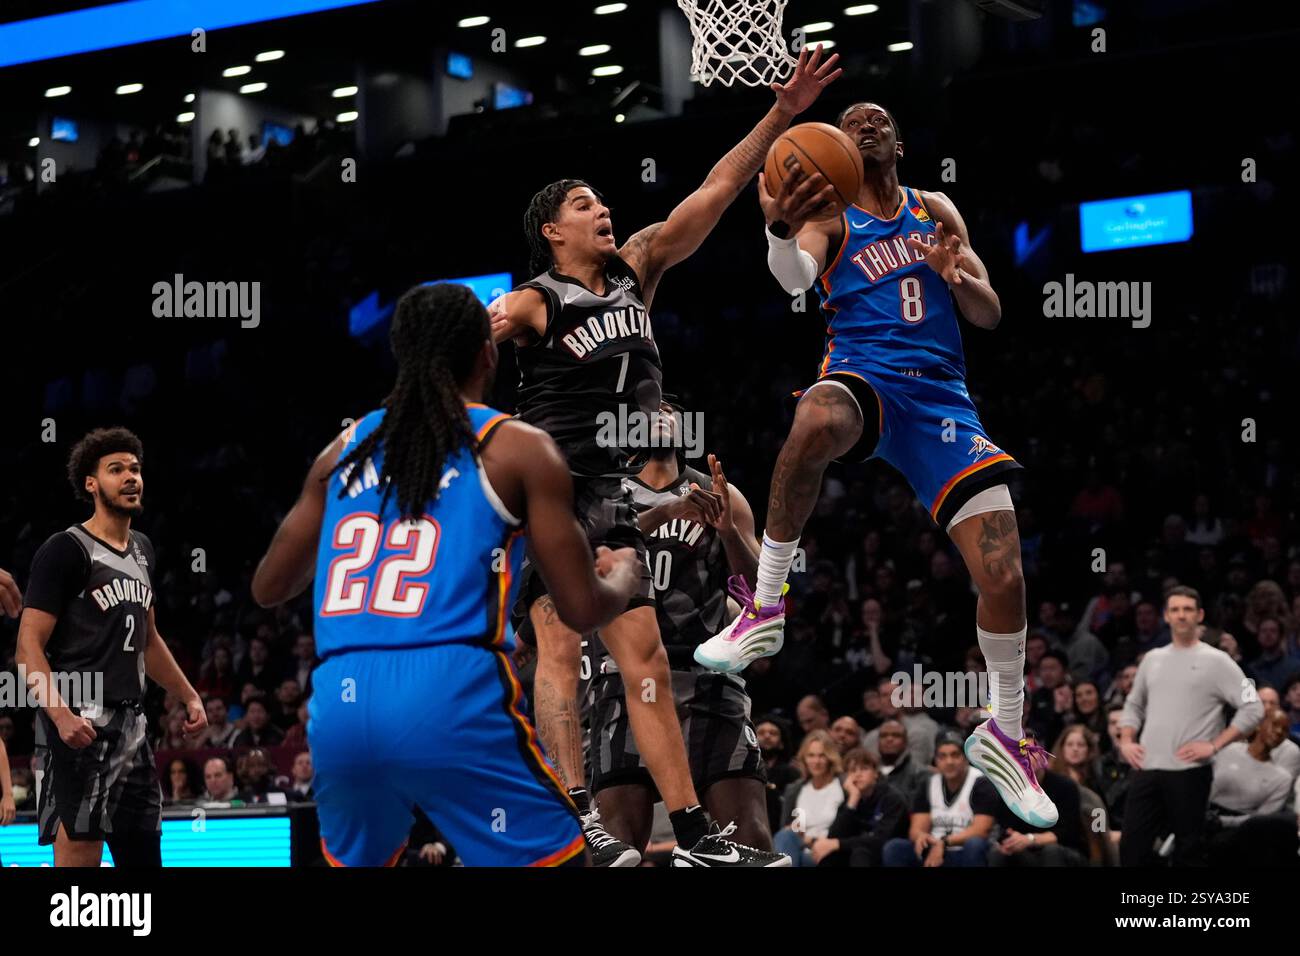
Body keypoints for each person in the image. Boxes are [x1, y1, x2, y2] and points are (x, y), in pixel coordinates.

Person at [252, 283, 768, 866]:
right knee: (576, 858)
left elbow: (270, 587)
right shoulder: (513, 444)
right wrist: (623, 574)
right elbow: (580, 606)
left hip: (339, 706)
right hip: (445, 690)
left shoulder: (340, 450)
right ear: (488, 355)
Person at [487, 46, 839, 866]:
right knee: (557, 643)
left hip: (610, 491)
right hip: (547, 483)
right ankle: (578, 813)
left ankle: (690, 829)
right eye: (584, 204)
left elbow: (715, 190)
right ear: (551, 230)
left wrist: (782, 113)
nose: (602, 210)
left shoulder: (637, 270)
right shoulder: (539, 300)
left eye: (603, 200)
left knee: (639, 652)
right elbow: (472, 332)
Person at [695, 98, 1056, 831]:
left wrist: (958, 275)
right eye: (852, 119)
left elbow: (989, 313)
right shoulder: (832, 211)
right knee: (814, 416)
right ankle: (765, 604)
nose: (865, 123)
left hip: (943, 403)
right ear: (839, 144)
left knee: (1005, 575)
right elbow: (795, 280)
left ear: (896, 139)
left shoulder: (935, 207)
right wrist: (776, 226)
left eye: (878, 117)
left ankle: (1005, 733)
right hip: (867, 378)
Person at [587, 406, 772, 863]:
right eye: (649, 410)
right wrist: (668, 510)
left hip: (706, 678)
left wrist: (729, 533)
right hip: (627, 678)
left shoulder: (722, 493)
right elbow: (594, 563)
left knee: (751, 840)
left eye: (669, 410)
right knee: (620, 846)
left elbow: (762, 596)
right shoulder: (609, 492)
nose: (661, 416)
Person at [16, 427, 207, 867]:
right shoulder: (64, 550)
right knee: (81, 860)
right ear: (90, 482)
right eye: (116, 469)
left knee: (143, 857)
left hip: (132, 725)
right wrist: (61, 716)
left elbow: (149, 639)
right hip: (78, 719)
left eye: (135, 469)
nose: (130, 477)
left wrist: (188, 693)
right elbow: (27, 647)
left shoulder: (143, 549)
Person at [1117, 587, 1264, 866]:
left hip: (1190, 771)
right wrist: (1126, 740)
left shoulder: (1219, 661)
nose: (1181, 615)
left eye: (1187, 609)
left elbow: (1253, 706)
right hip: (1147, 767)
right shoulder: (1152, 659)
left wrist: (1215, 744)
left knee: (1189, 851)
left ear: (1200, 615)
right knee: (1132, 848)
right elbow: (1134, 704)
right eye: (1175, 609)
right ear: (1166, 616)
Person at [883, 732, 996, 867]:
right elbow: (916, 829)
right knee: (895, 848)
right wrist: (921, 837)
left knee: (975, 845)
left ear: (966, 758)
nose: (949, 762)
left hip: (964, 850)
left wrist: (943, 842)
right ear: (935, 761)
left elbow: (980, 830)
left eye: (955, 755)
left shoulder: (981, 782)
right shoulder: (928, 784)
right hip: (934, 849)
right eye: (942, 756)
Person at [814, 748, 909, 866]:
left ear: (875, 773)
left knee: (860, 852)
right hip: (858, 854)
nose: (858, 774)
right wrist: (853, 800)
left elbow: (881, 840)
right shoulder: (851, 800)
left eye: (864, 769)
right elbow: (833, 837)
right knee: (830, 856)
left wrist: (839, 843)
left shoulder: (892, 799)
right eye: (853, 770)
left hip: (890, 854)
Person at [774, 729, 844, 866]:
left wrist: (810, 840)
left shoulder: (843, 787)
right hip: (799, 850)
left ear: (830, 758)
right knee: (784, 836)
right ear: (804, 759)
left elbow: (847, 828)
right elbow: (787, 827)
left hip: (829, 852)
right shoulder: (794, 790)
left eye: (821, 756)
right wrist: (794, 829)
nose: (816, 761)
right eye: (811, 755)